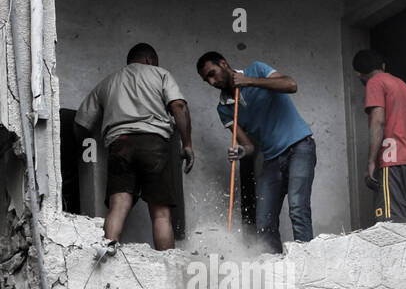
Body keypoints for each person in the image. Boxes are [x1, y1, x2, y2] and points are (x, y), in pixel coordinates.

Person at [75, 43, 194, 252]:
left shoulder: (108, 82)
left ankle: (108, 248)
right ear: (150, 60)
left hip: (119, 144)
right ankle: (167, 259)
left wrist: (81, 148)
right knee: (161, 212)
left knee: (118, 205)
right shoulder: (161, 74)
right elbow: (179, 106)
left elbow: (81, 122)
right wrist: (187, 144)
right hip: (154, 143)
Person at [196, 51, 315, 255]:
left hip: (299, 147)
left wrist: (249, 81)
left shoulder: (257, 69)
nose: (212, 81)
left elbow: (291, 85)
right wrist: (240, 151)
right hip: (271, 159)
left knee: (297, 208)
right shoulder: (223, 109)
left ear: (224, 63)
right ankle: (274, 269)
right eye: (207, 79)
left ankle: (306, 264)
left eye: (212, 73)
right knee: (264, 222)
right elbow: (249, 146)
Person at [352, 49, 406, 224]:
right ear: (383, 66)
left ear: (359, 74)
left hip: (391, 161)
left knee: (390, 223)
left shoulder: (375, 83)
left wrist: (371, 161)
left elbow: (378, 121)